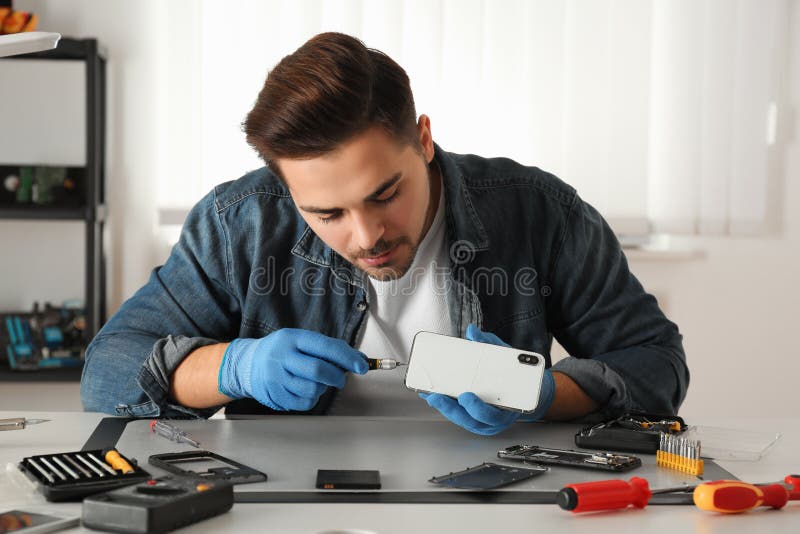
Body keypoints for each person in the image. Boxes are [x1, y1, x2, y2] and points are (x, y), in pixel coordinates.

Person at [80, 32, 688, 435]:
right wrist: (234, 368)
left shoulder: (540, 211)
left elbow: (656, 365)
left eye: (385, 194)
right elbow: (108, 371)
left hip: (498, 487)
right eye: (327, 214)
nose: (367, 236)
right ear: (287, 192)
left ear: (422, 138)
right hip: (284, 499)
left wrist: (539, 392)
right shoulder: (239, 220)